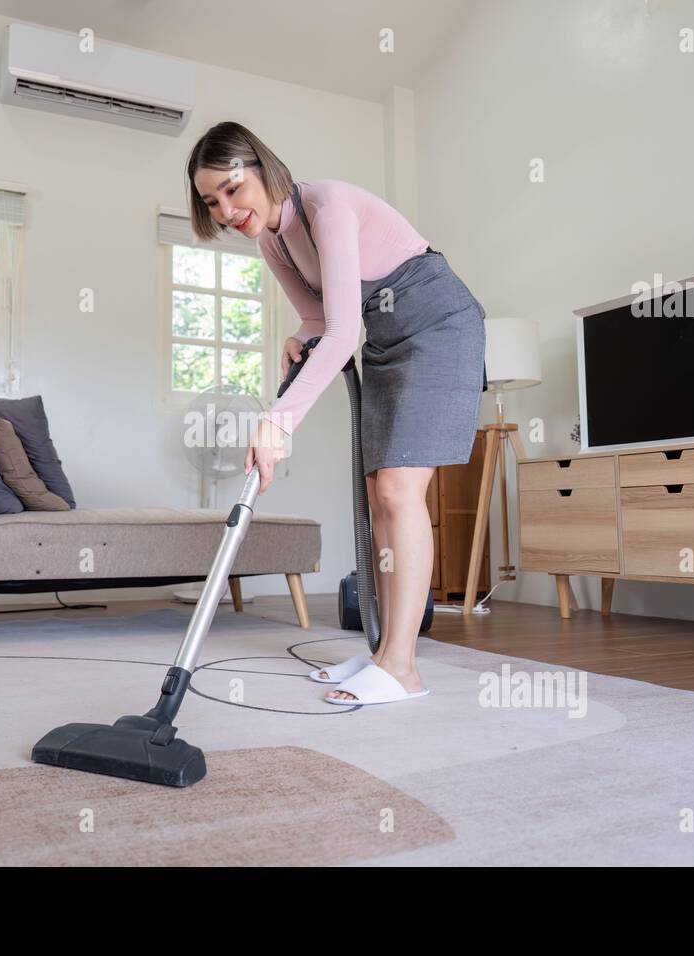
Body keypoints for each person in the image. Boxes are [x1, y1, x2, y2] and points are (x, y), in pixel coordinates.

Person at [186, 122, 487, 705]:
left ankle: (402, 667)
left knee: (400, 491)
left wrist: (278, 422)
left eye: (232, 188)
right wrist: (299, 337)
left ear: (263, 168)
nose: (226, 209)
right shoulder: (271, 242)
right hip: (386, 342)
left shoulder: (327, 206)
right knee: (380, 496)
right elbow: (324, 322)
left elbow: (344, 330)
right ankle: (382, 651)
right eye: (211, 201)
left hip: (440, 326)